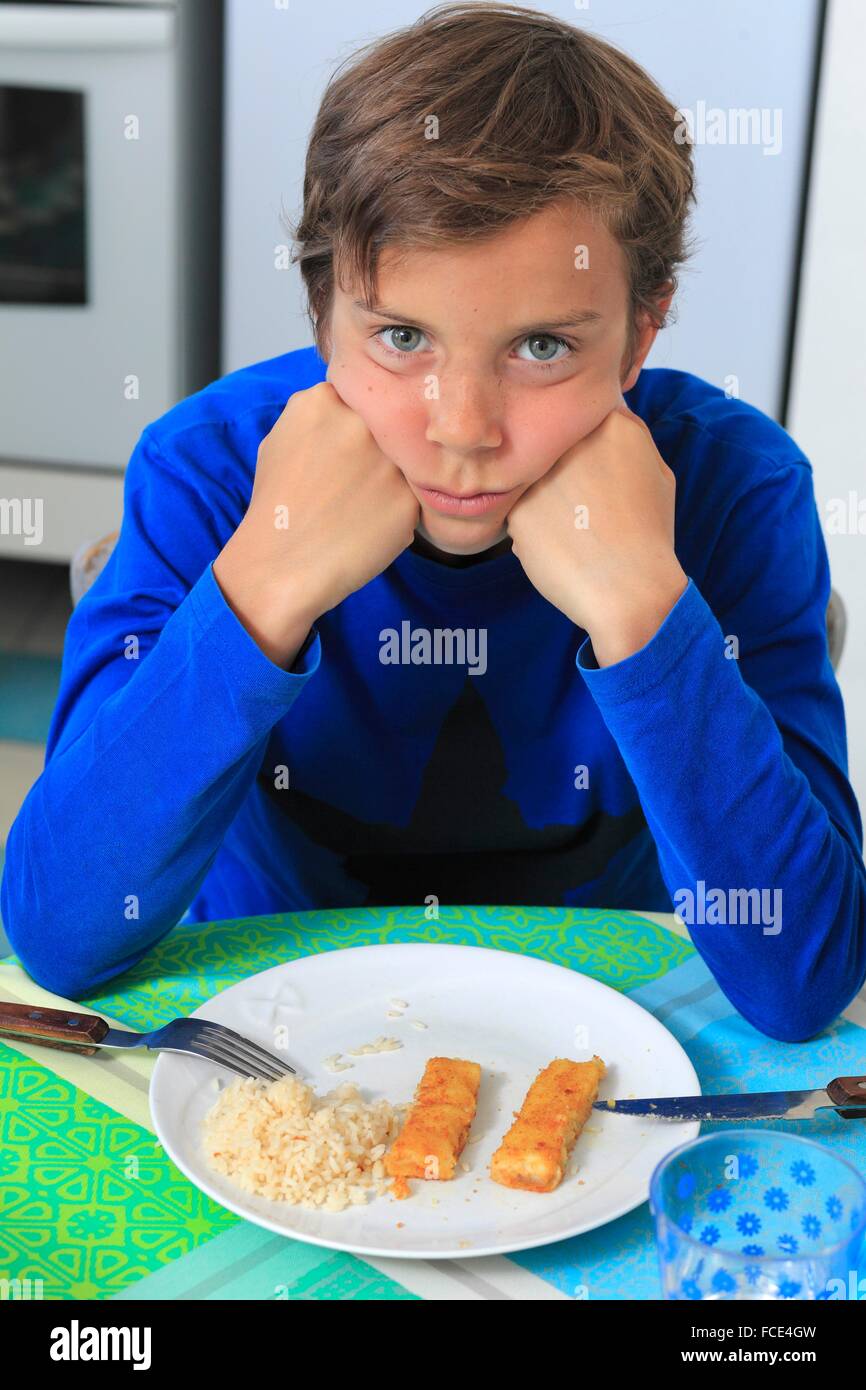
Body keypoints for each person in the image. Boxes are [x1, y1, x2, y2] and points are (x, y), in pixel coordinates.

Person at [3, 3, 864, 1040]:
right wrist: (260, 590)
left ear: (640, 333)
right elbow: (58, 933)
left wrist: (644, 607)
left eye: (540, 346)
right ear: (322, 315)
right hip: (269, 1031)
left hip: (609, 1031)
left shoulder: (735, 486)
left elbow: (800, 983)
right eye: (402, 336)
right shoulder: (209, 470)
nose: (462, 429)